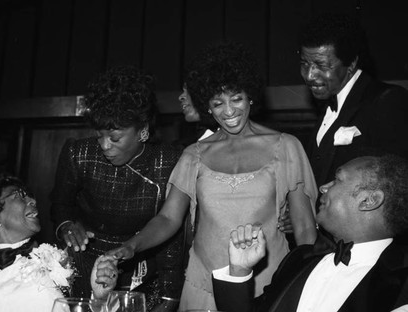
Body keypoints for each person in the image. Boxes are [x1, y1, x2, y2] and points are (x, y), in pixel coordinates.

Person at [106, 41, 318, 311]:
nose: (229, 112)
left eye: (237, 99)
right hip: (204, 286)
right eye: (218, 103)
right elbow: (169, 218)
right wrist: (131, 247)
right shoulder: (194, 154)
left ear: (251, 96)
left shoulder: (286, 146)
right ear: (207, 105)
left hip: (270, 284)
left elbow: (304, 227)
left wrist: (309, 281)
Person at [50, 65, 184, 311]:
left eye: (114, 138)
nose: (103, 145)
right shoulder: (78, 153)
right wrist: (67, 226)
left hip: (143, 270)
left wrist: (169, 295)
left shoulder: (168, 162)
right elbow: (60, 204)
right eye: (99, 135)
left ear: (142, 130)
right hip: (85, 265)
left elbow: (171, 229)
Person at [213, 154, 408, 312]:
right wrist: (239, 269)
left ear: (369, 201)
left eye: (337, 180)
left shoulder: (401, 287)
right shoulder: (300, 259)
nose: (324, 187)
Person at [0, 172, 118, 312]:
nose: (32, 200)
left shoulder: (64, 256)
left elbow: (87, 306)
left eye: (28, 195)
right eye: (19, 195)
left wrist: (100, 297)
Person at [300, 13, 408, 191]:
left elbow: (398, 178)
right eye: (304, 64)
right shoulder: (327, 104)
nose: (310, 75)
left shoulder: (387, 100)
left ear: (351, 63)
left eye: (322, 65)